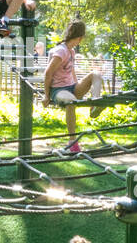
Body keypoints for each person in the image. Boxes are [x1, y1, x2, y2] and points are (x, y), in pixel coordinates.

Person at [43, 19, 102, 153]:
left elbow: (72, 71)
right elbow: (48, 73)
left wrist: (79, 87)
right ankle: (72, 143)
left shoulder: (71, 51)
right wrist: (46, 96)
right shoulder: (61, 51)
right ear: (80, 37)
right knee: (71, 102)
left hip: (71, 87)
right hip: (58, 91)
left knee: (96, 74)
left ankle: (95, 105)